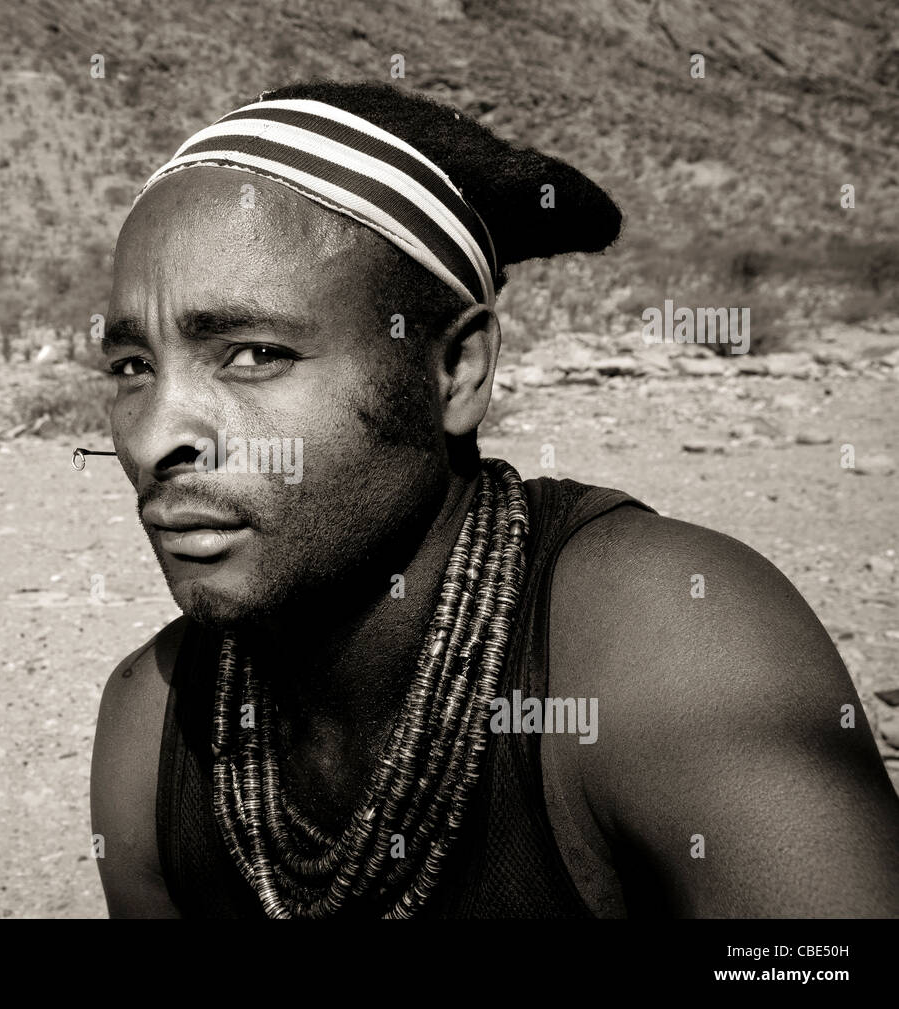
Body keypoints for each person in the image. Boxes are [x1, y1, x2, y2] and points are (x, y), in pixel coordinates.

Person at [89, 79, 899, 918]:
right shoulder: (153, 723)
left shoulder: (669, 647)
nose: (153, 440)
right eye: (131, 368)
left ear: (456, 370)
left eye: (254, 353)